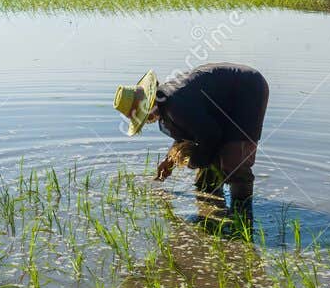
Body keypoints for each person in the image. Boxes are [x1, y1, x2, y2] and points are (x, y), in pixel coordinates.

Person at [114, 63, 269, 214]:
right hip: (225, 98)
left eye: (142, 116)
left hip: (248, 90)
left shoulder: (176, 104)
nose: (146, 121)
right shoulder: (165, 100)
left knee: (233, 162)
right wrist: (170, 161)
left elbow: (210, 135)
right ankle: (211, 205)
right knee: (205, 177)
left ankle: (242, 214)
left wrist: (195, 161)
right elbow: (190, 131)